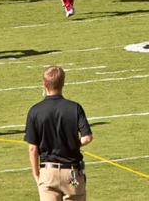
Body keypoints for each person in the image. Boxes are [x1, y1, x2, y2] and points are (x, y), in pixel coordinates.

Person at [25, 66, 92, 200]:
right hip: (72, 173)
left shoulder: (34, 111)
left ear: (45, 84)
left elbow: (32, 147)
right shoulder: (75, 108)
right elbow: (87, 138)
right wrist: (72, 145)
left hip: (48, 173)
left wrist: (36, 174)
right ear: (63, 83)